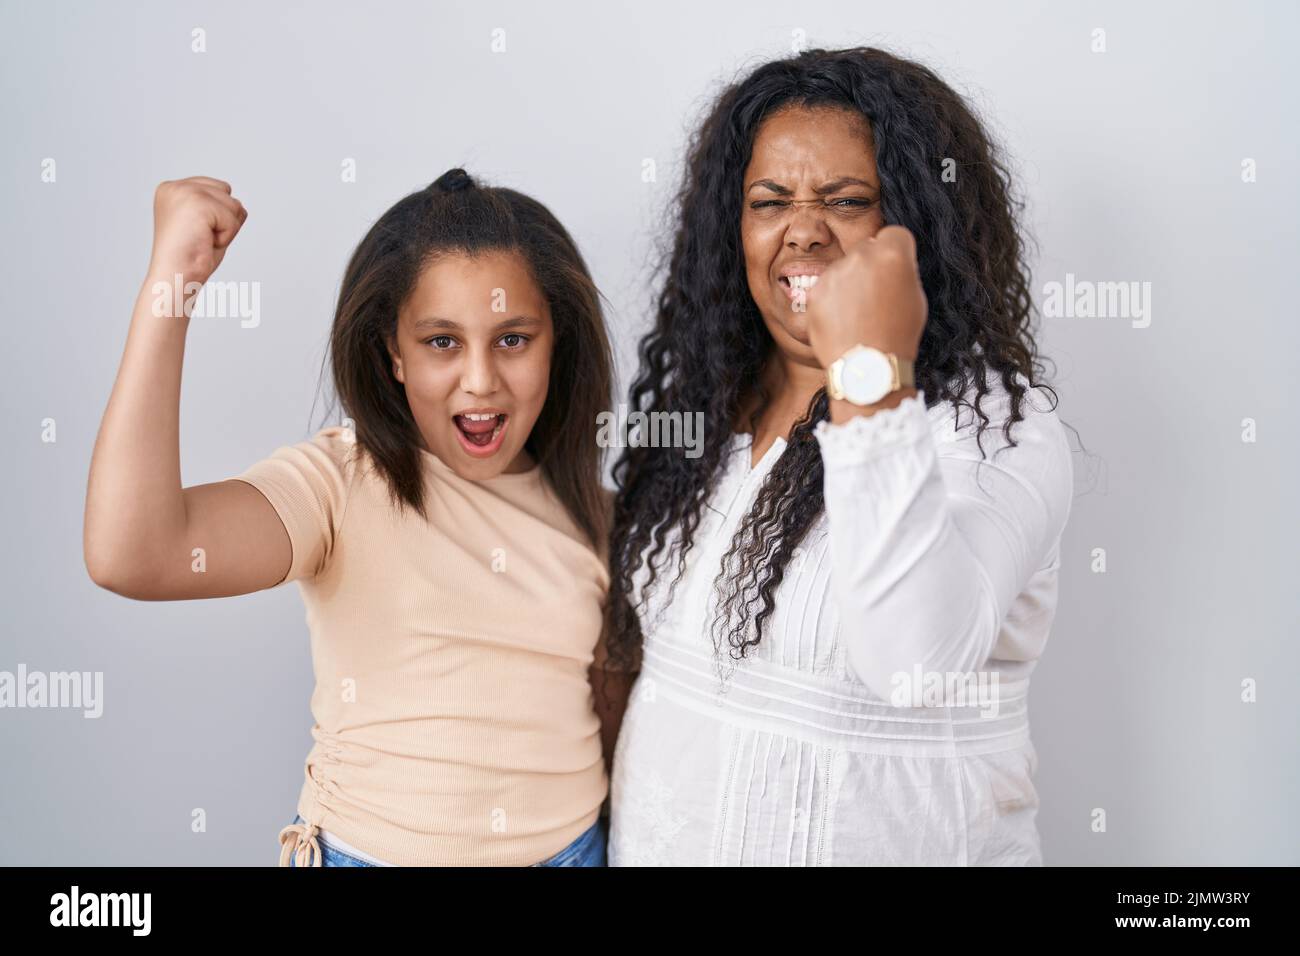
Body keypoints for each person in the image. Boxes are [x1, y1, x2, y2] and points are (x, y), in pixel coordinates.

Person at [604, 47, 1077, 865]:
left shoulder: (998, 428)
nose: (803, 231)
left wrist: (869, 367)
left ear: (918, 225)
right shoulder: (702, 412)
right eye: (769, 201)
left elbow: (914, 663)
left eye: (847, 200)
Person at [84, 168, 617, 866]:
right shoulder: (341, 483)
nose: (481, 380)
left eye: (513, 339)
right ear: (392, 353)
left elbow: (612, 721)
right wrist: (172, 283)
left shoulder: (595, 513)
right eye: (442, 342)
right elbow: (134, 552)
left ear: (557, 343)